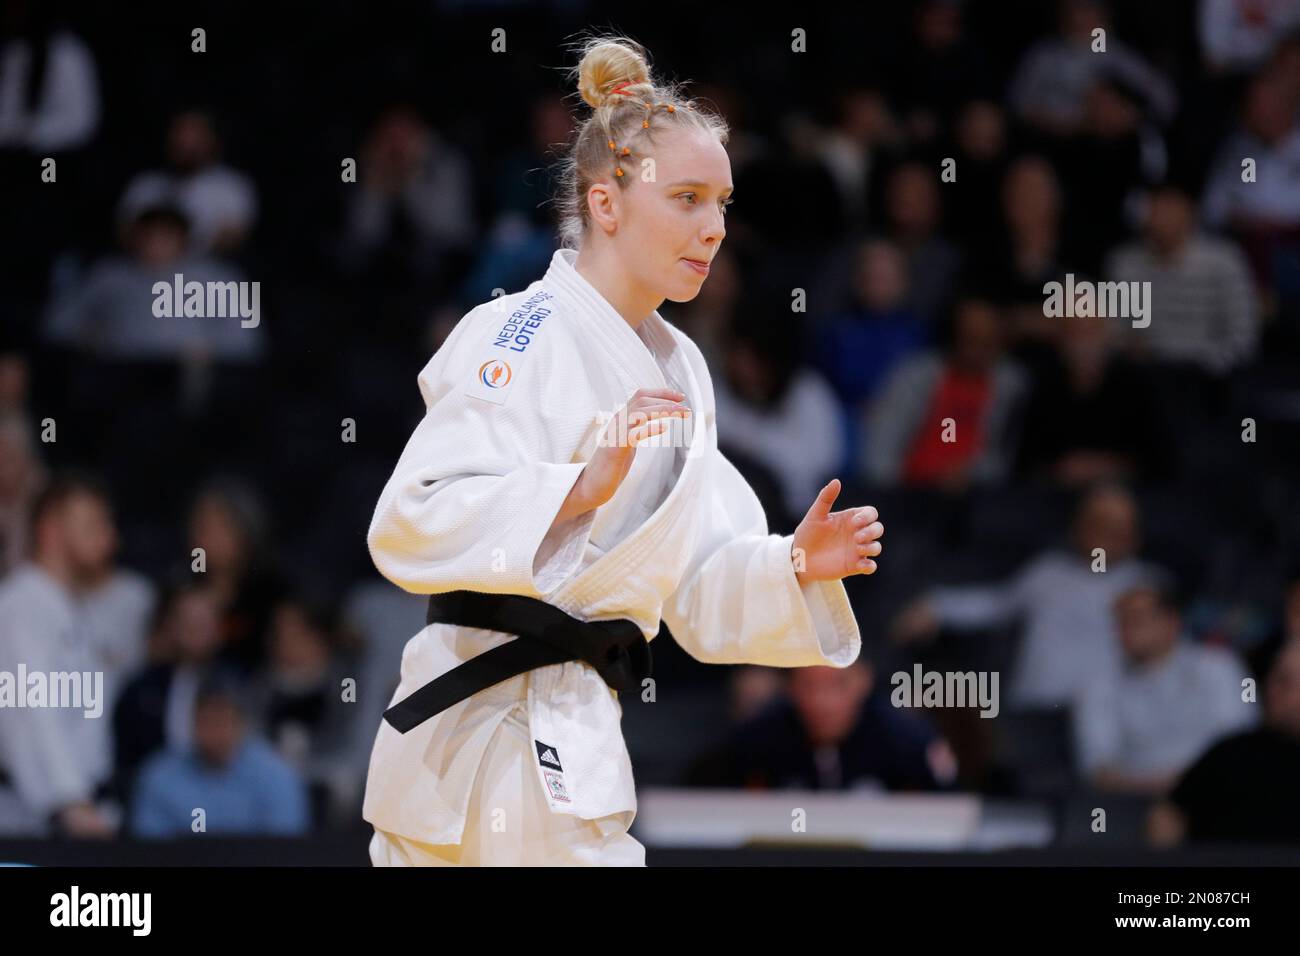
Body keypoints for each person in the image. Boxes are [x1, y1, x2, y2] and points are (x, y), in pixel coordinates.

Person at [363, 37, 882, 867]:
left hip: (568, 737)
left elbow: (695, 583)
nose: (713, 229)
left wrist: (792, 566)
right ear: (606, 205)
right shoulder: (518, 333)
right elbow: (409, 518)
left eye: (722, 202)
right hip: (486, 735)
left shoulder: (682, 368)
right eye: (685, 198)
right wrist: (575, 487)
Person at [1074, 579, 1257, 794]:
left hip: (1216, 796)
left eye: (1137, 619)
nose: (1125, 629)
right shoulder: (1099, 685)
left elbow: (1239, 738)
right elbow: (1098, 769)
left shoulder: (1219, 665)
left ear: (1172, 622)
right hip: (1132, 803)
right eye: (1119, 621)